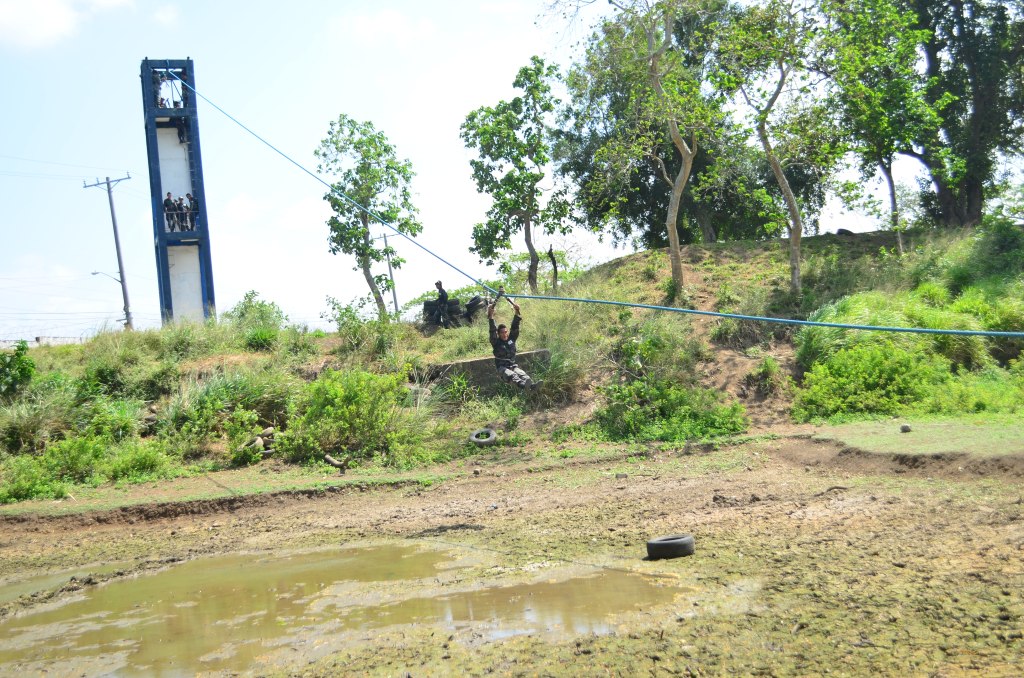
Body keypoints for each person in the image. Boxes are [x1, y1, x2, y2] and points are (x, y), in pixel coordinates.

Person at [488, 299, 539, 389]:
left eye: (505, 332)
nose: (504, 334)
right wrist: (491, 316)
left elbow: (515, 326)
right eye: (502, 333)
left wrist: (517, 311)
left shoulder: (511, 339)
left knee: (522, 374)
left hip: (513, 366)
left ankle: (532, 386)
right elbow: (492, 330)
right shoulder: (496, 342)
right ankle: (523, 386)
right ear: (498, 334)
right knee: (512, 375)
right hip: (502, 368)